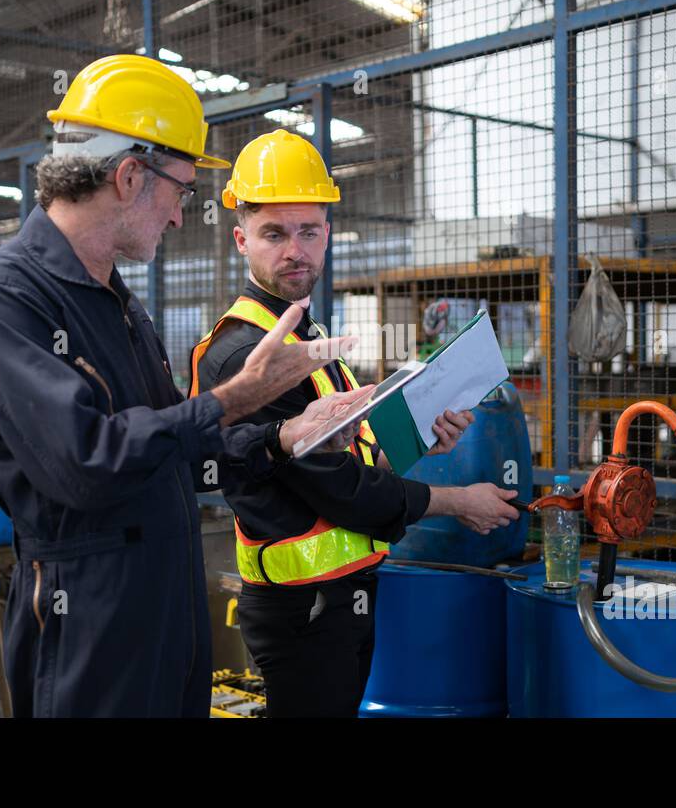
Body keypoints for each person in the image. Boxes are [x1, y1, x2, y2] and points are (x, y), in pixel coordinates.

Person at [0, 57, 366, 717]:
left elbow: (179, 451)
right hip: (89, 617)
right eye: (182, 191)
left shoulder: (117, 302)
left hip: (168, 608)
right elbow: (85, 463)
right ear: (130, 175)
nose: (176, 216)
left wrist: (283, 436)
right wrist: (233, 397)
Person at [190, 129, 519, 717]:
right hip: (303, 607)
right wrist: (457, 500)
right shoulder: (249, 353)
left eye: (308, 231)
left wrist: (420, 439)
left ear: (328, 234)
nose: (295, 249)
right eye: (274, 233)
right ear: (241, 240)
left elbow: (355, 460)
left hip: (341, 595)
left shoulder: (309, 338)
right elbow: (339, 489)